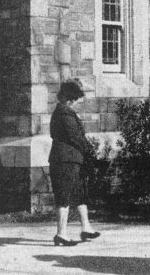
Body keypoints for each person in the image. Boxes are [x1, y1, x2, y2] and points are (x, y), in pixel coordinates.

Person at [49, 79, 100, 246]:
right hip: (65, 160)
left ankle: (86, 228)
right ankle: (61, 234)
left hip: (71, 159)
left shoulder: (63, 112)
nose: (76, 101)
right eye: (75, 98)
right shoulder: (64, 114)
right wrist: (89, 150)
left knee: (79, 193)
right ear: (70, 98)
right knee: (64, 195)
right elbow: (75, 137)